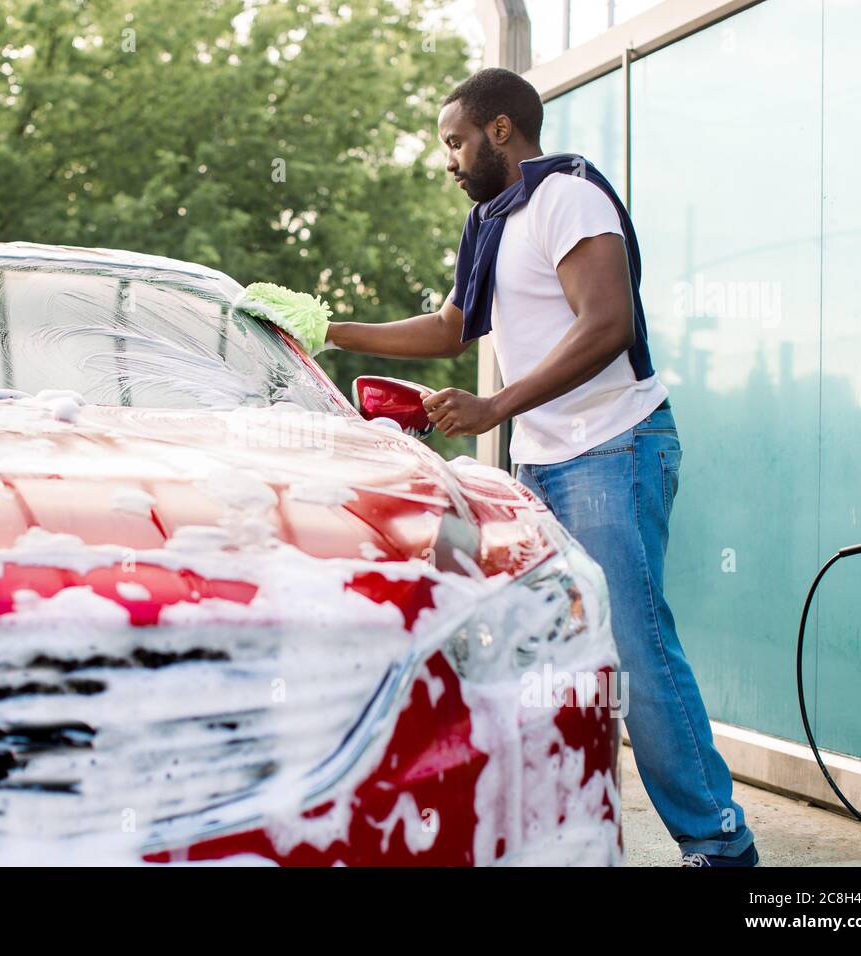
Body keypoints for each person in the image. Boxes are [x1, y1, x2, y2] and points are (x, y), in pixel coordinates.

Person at [323, 67, 758, 867]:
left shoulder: (568, 194)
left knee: (634, 649)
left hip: (613, 448)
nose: (447, 160)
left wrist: (496, 405)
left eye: (455, 141)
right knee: (552, 651)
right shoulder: (492, 220)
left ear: (500, 130)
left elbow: (606, 323)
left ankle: (719, 845)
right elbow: (454, 327)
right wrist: (331, 327)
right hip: (545, 464)